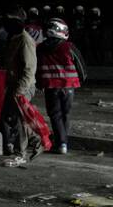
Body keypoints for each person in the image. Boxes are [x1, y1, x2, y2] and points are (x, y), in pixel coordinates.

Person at [36, 17, 85, 155]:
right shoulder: (68, 46)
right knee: (66, 114)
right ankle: (64, 142)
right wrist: (80, 80)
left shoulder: (40, 48)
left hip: (51, 87)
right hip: (69, 87)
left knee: (55, 115)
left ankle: (61, 143)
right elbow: (81, 66)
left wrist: (40, 83)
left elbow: (37, 68)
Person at [0, 8, 40, 164]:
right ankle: (36, 141)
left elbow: (29, 68)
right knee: (7, 116)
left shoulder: (25, 40)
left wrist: (20, 90)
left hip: (23, 86)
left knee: (19, 119)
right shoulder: (14, 38)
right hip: (14, 85)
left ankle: (21, 152)